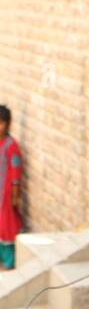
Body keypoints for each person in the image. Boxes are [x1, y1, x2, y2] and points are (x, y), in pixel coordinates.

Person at [0, 106, 21, 270]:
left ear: (7, 124)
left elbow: (15, 172)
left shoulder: (11, 145)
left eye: (1, 123)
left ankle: (9, 260)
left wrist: (14, 195)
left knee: (6, 225)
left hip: (5, 194)